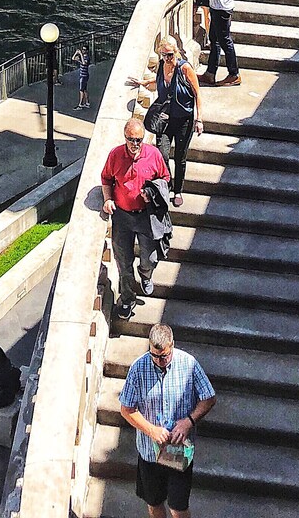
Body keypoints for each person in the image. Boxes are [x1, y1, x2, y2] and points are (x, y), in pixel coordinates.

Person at [119, 323, 216, 518]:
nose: (160, 361)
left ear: (172, 345)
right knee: (154, 503)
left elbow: (209, 397)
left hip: (178, 450)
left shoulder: (188, 364)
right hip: (150, 452)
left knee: (178, 508)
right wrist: (151, 430)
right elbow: (126, 409)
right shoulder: (139, 368)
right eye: (155, 356)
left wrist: (188, 421)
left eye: (164, 356)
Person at [102, 117, 170, 318]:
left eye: (138, 140)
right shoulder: (115, 155)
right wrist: (108, 199)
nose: (134, 144)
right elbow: (106, 177)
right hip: (122, 217)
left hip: (146, 217)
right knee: (124, 262)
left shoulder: (154, 155)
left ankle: (146, 275)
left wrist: (152, 193)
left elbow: (165, 178)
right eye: (131, 139)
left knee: (149, 258)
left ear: (143, 139)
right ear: (125, 138)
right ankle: (127, 299)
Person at [151, 36, 202, 207]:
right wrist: (144, 82)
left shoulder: (185, 68)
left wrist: (199, 119)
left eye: (170, 55)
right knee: (162, 154)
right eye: (164, 55)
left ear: (176, 52)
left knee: (180, 157)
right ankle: (168, 185)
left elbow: (197, 93)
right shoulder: (161, 66)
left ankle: (178, 190)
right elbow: (160, 83)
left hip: (184, 120)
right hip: (165, 119)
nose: (167, 58)